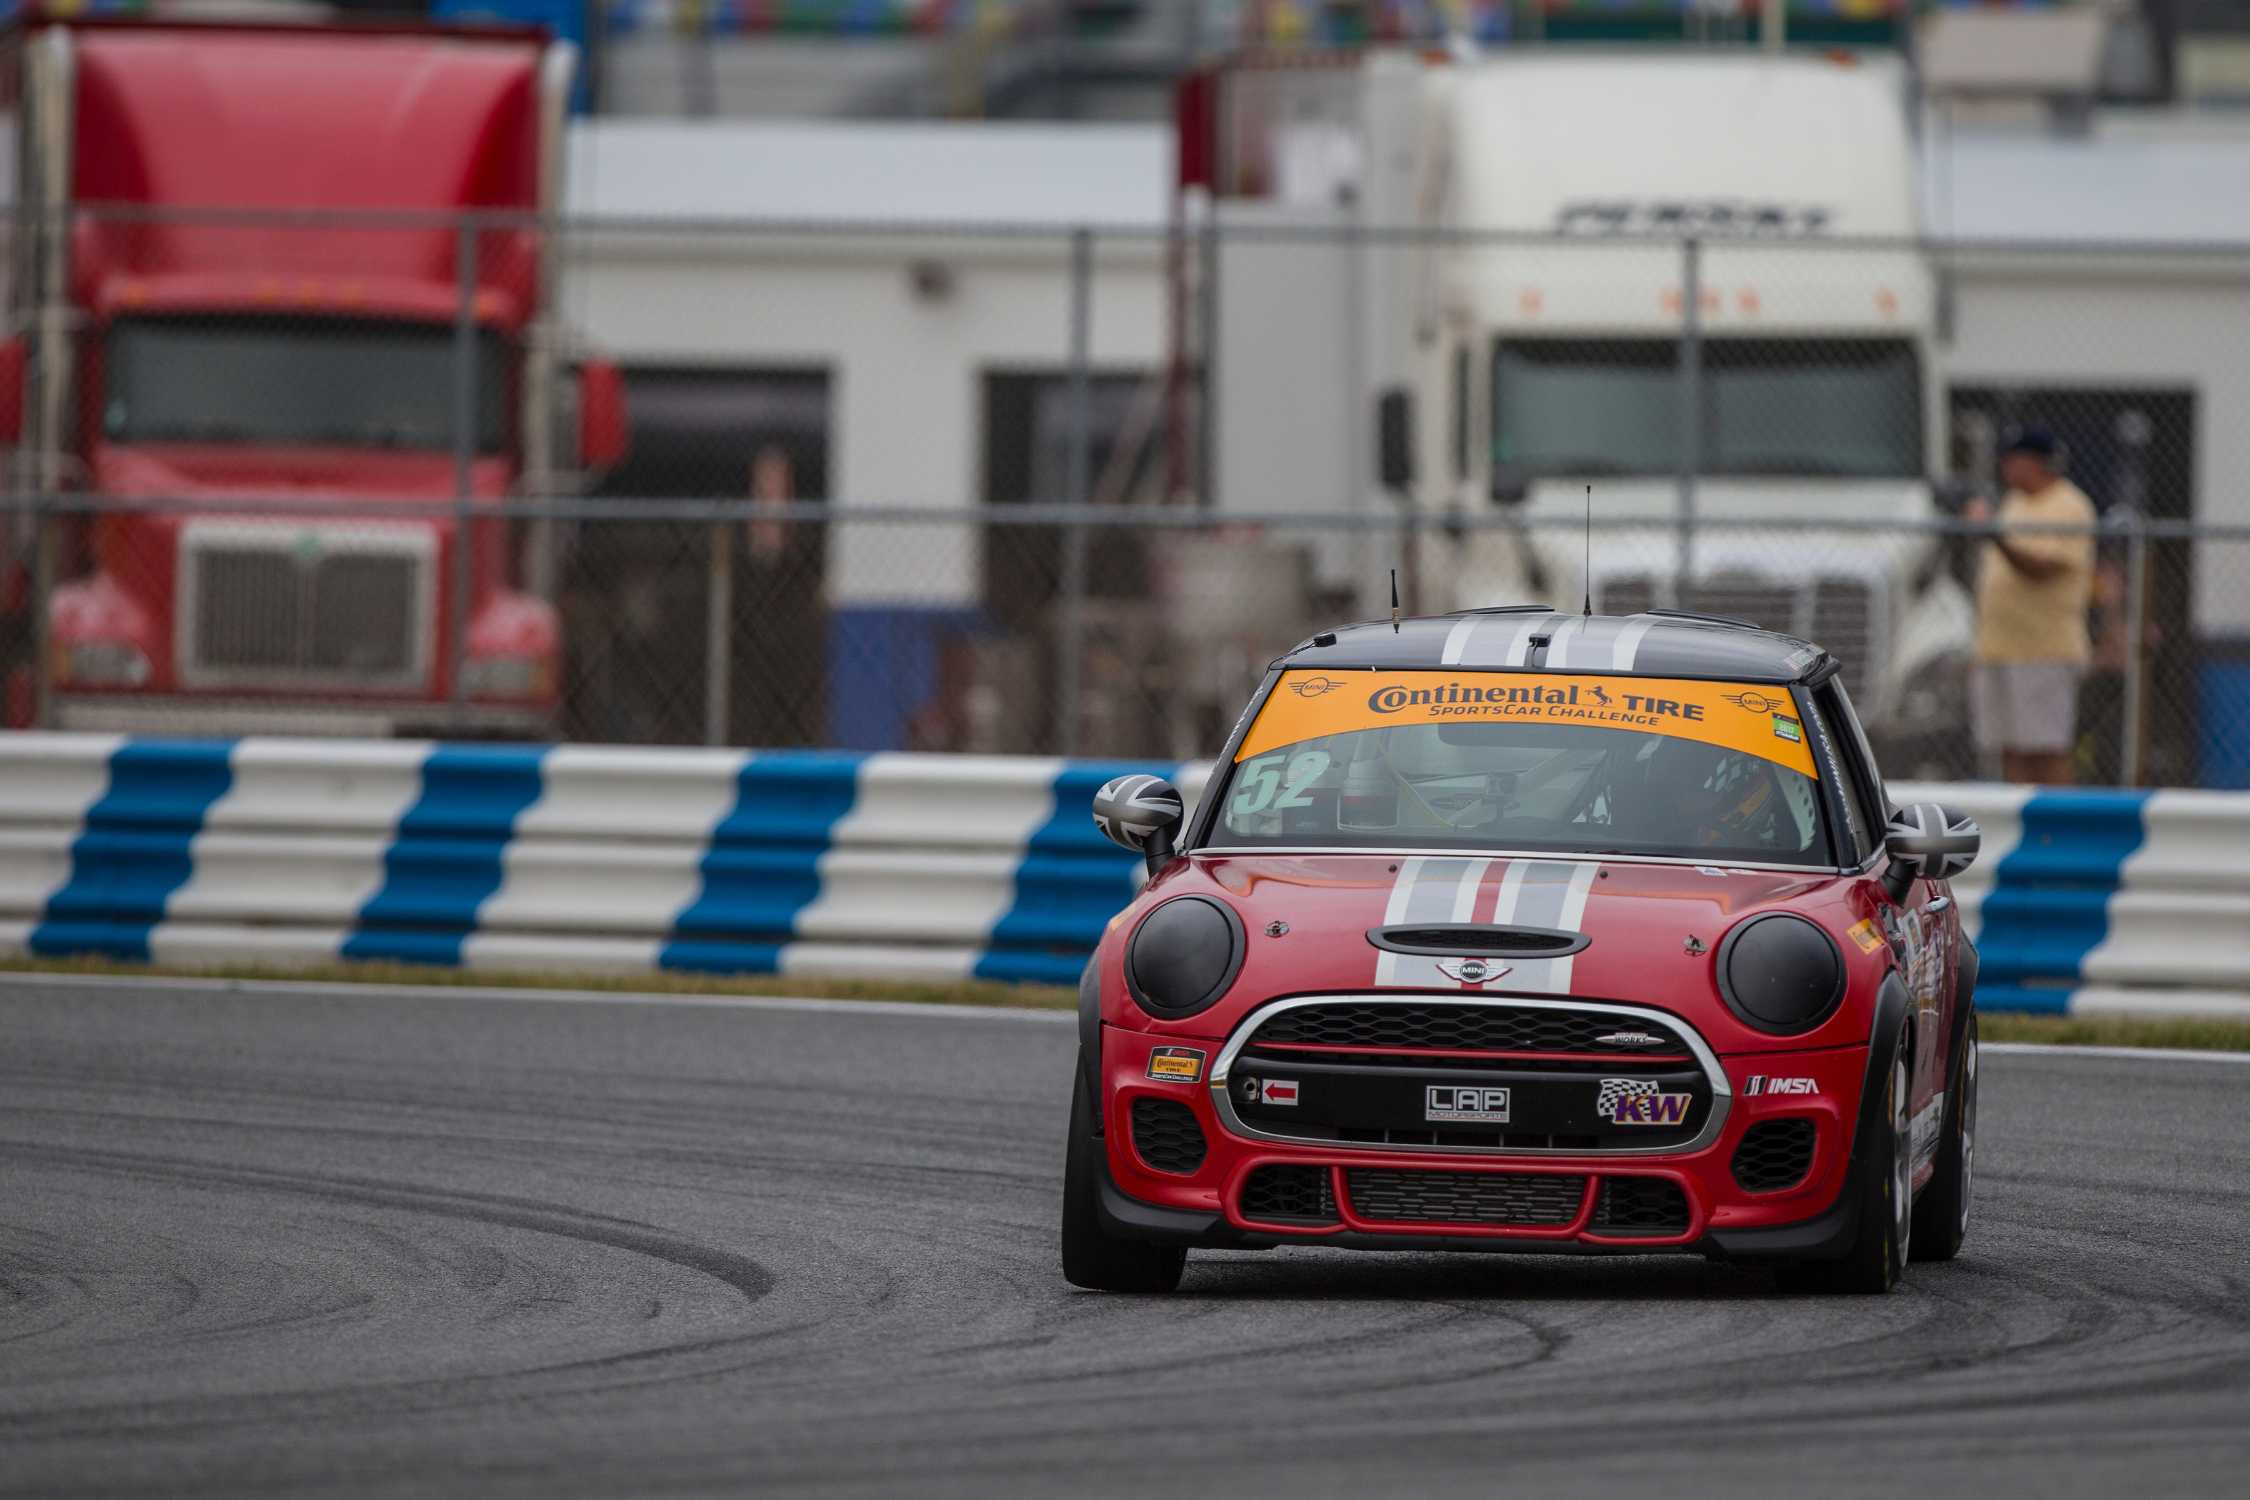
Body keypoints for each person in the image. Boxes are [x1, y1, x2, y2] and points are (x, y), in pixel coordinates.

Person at [1962, 428, 2097, 785]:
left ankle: (2058, 832)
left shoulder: (2069, 505)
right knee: (2009, 748)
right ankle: (2022, 829)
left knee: (2046, 749)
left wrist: (1994, 534)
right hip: (1998, 648)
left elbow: (2043, 567)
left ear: (2036, 462)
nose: (2006, 467)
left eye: (2014, 459)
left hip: (2043, 651)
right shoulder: (2015, 503)